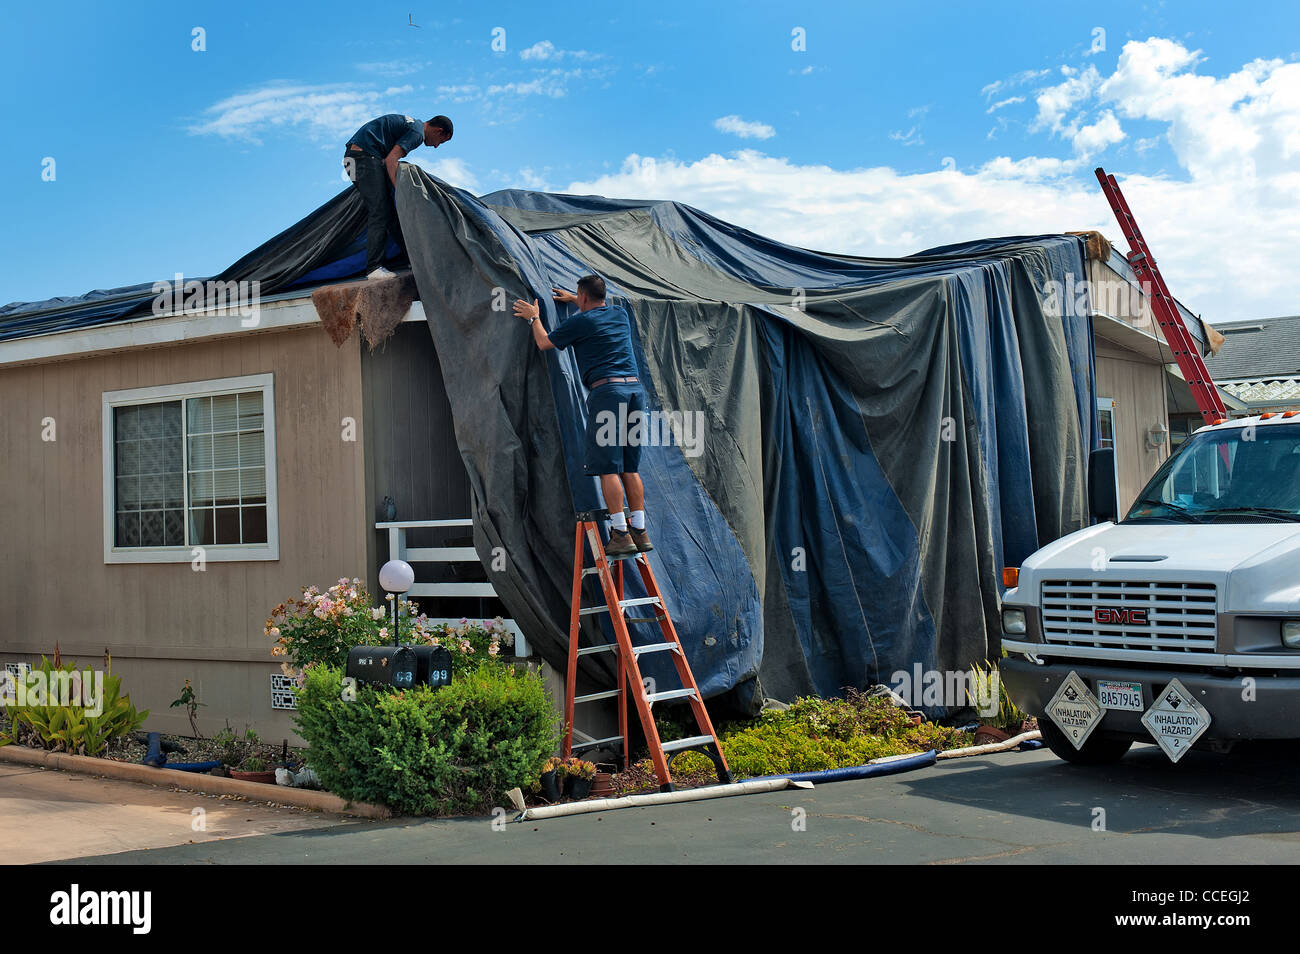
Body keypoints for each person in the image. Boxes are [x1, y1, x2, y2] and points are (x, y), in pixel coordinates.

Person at [513, 276, 652, 556]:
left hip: (608, 393)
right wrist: (576, 298)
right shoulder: (619, 313)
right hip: (635, 392)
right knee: (629, 468)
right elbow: (594, 304)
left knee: (607, 468)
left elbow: (543, 343)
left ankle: (620, 533)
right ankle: (639, 529)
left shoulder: (580, 323)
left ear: (584, 297)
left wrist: (533, 317)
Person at [344, 114, 453, 279]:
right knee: (379, 210)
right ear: (438, 131)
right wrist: (400, 191)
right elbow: (390, 160)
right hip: (361, 158)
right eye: (441, 141)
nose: (437, 146)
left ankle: (410, 259)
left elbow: (386, 160)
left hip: (353, 159)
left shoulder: (412, 125)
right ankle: (374, 268)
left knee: (389, 212)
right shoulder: (417, 133)